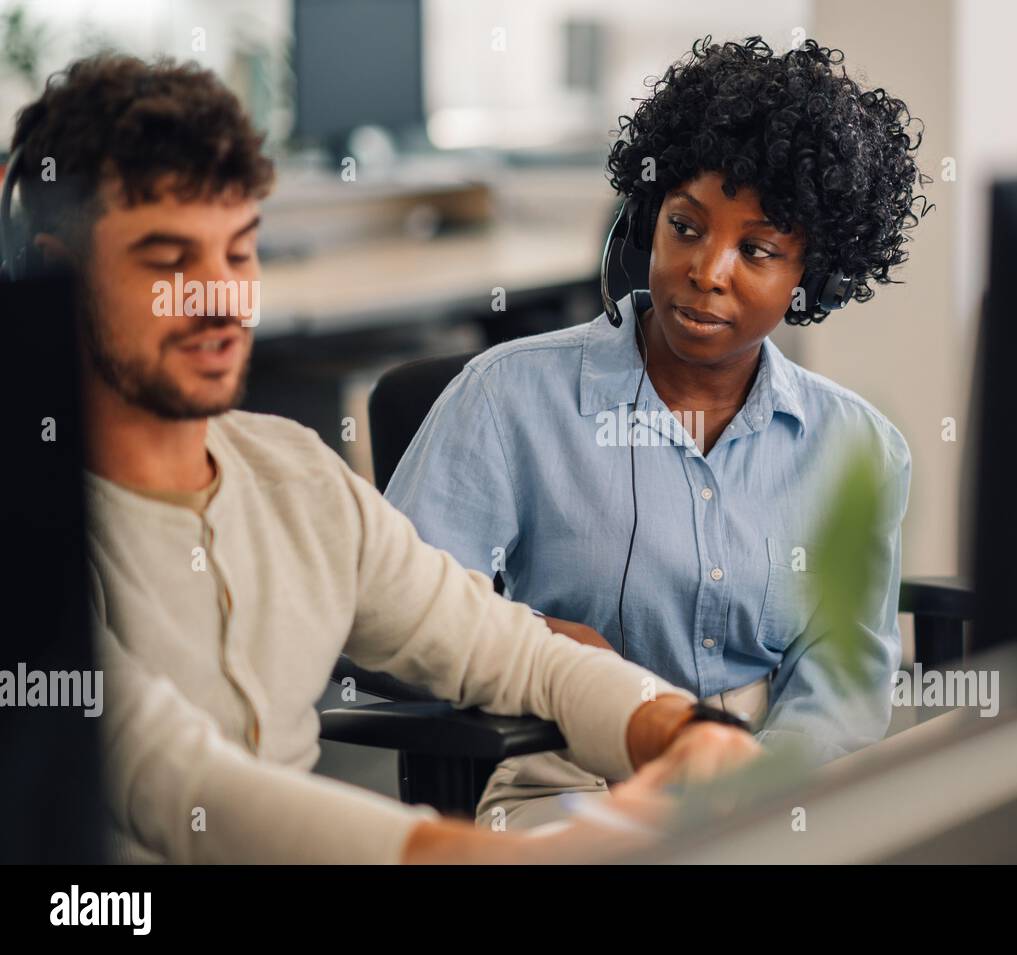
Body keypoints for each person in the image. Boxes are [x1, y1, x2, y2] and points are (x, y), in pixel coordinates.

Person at [7, 53, 760, 864]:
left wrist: (679, 728)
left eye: (238, 252)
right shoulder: (31, 526)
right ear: (58, 269)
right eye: (168, 262)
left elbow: (515, 650)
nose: (220, 298)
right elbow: (185, 784)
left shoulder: (292, 477)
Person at [386, 36, 923, 829]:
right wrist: (538, 643)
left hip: (768, 794)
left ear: (815, 277)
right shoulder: (507, 398)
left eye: (758, 250)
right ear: (646, 223)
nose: (709, 270)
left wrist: (749, 791)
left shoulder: (860, 450)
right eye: (686, 226)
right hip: (564, 783)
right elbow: (393, 608)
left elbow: (838, 694)